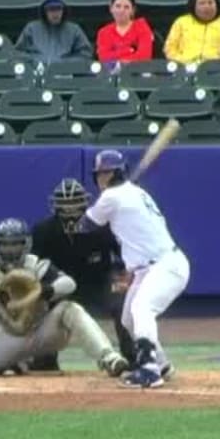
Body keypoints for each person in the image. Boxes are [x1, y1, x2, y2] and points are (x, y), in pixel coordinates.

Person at [0, 217, 129, 378]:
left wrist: (42, 291)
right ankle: (15, 362)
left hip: (43, 330)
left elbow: (69, 284)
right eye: (4, 244)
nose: (10, 249)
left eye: (16, 244)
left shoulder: (36, 265)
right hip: (11, 334)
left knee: (70, 309)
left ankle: (109, 358)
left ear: (26, 244)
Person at [82, 150, 189, 389]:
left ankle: (149, 370)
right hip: (149, 268)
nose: (101, 178)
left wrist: (87, 210)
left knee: (142, 309)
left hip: (164, 265)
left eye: (105, 173)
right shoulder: (135, 192)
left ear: (117, 173)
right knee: (129, 318)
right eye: (99, 174)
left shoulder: (112, 197)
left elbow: (86, 226)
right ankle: (161, 364)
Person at [30, 178, 135, 370]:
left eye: (73, 203)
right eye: (65, 203)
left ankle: (133, 358)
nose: (70, 209)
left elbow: (124, 256)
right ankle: (44, 359)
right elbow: (32, 267)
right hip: (60, 289)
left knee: (122, 302)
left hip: (97, 284)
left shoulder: (101, 228)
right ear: (55, 205)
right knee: (38, 303)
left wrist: (122, 276)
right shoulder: (42, 231)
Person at [15, 0, 93, 64]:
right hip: (36, 73)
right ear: (44, 11)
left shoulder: (74, 30)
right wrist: (35, 61)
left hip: (65, 74)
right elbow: (18, 53)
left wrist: (65, 63)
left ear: (64, 10)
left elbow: (85, 55)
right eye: (51, 9)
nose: (55, 13)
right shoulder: (31, 28)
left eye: (58, 8)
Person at [163, 0, 220, 64]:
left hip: (214, 66)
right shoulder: (181, 22)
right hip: (184, 64)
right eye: (202, 3)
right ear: (193, 6)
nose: (207, 7)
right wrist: (180, 62)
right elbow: (169, 49)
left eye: (210, 3)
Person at [95, 0, 154, 64]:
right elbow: (104, 58)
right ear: (111, 8)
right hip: (111, 72)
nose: (121, 10)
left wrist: (117, 58)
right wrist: (129, 50)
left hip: (139, 72)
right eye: (118, 6)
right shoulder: (103, 32)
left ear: (132, 10)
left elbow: (144, 57)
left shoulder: (141, 26)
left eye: (126, 7)